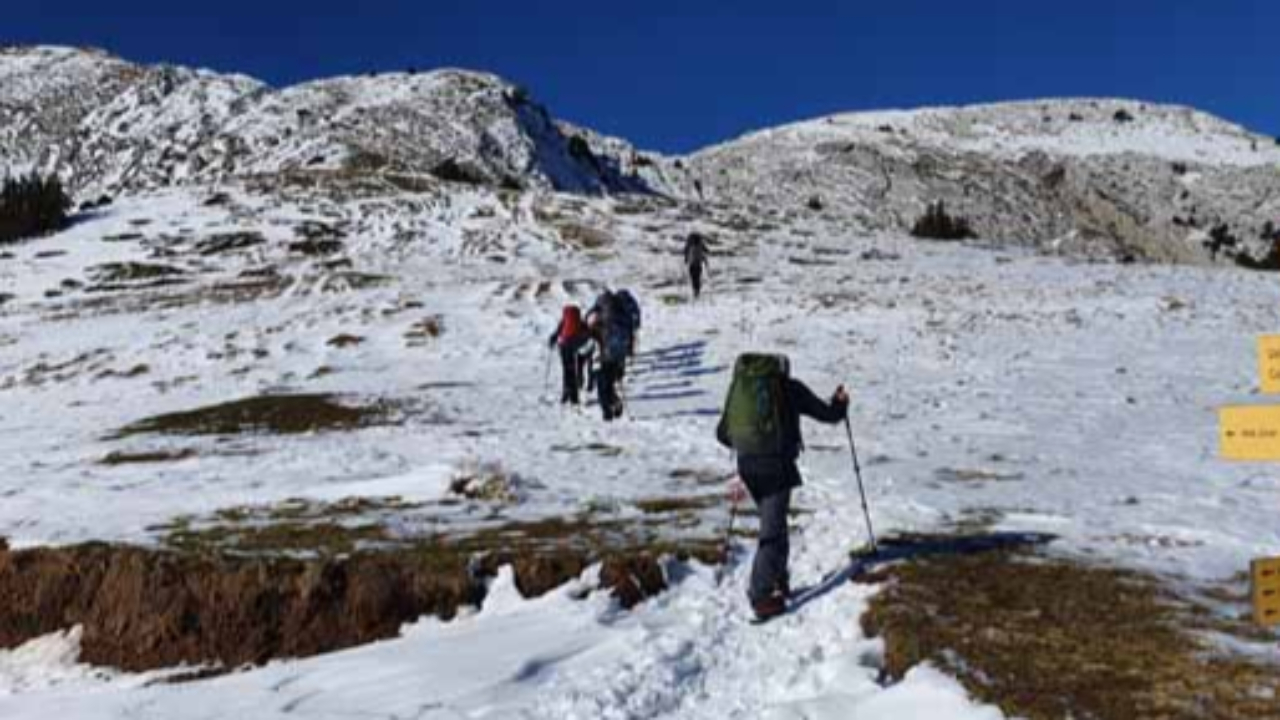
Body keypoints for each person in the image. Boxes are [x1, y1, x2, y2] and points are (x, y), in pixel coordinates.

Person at [716, 354, 849, 621]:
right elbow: (829, 415)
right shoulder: (791, 388)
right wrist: (840, 403)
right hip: (776, 467)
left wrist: (749, 443)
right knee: (772, 532)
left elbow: (722, 434)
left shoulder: (740, 387)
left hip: (748, 466)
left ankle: (778, 578)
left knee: (774, 523)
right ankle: (761, 595)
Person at [587, 289, 639, 421]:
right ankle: (613, 404)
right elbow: (631, 327)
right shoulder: (622, 311)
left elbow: (589, 329)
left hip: (604, 354)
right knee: (609, 380)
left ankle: (607, 410)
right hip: (618, 352)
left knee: (603, 383)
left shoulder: (600, 317)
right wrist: (629, 349)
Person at [547, 304, 588, 405]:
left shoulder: (564, 321)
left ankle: (565, 394)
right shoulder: (579, 322)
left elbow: (557, 333)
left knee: (566, 371)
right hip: (575, 346)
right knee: (573, 370)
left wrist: (552, 341)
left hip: (564, 346)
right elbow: (586, 332)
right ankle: (574, 397)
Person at [683, 232, 710, 299]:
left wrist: (686, 260)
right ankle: (697, 292)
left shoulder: (690, 244)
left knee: (693, 278)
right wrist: (705, 260)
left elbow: (685, 251)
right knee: (697, 278)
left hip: (692, 264)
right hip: (698, 264)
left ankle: (695, 291)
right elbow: (707, 251)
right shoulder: (700, 244)